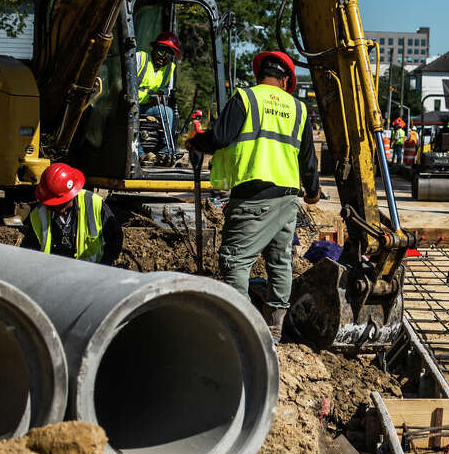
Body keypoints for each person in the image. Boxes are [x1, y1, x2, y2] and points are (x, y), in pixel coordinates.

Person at [189, 50, 320, 342]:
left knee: (235, 261)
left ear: (260, 73)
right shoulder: (298, 108)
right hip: (287, 198)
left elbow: (220, 137)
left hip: (253, 195)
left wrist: (196, 141)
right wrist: (312, 191)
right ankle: (274, 329)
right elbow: (308, 158)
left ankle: (244, 330)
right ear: (286, 80)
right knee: (279, 260)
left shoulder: (246, 98)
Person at [22, 162, 122, 265]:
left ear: (70, 197)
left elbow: (115, 237)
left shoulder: (94, 204)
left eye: (57, 204)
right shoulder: (39, 214)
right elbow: (28, 251)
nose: (52, 208)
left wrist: (104, 265)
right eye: (50, 204)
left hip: (89, 272)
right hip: (52, 272)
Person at [136, 31, 181, 164]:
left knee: (168, 112)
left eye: (168, 54)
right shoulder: (141, 58)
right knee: (131, 112)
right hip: (133, 103)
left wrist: (161, 95)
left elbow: (166, 90)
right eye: (161, 52)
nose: (164, 57)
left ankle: (167, 152)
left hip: (149, 106)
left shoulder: (169, 69)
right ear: (155, 49)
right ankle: (139, 153)